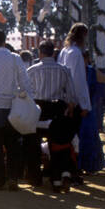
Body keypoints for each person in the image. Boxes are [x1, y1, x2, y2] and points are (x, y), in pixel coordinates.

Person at [0, 28, 34, 190]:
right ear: (4, 41)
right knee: (13, 145)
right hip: (12, 107)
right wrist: (27, 101)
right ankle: (13, 177)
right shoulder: (15, 58)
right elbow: (25, 82)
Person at [26, 40, 78, 187]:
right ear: (53, 52)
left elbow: (25, 93)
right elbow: (72, 96)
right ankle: (58, 175)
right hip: (57, 114)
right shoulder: (64, 70)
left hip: (37, 114)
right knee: (57, 145)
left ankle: (35, 177)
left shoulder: (32, 70)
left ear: (40, 53)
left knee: (33, 144)